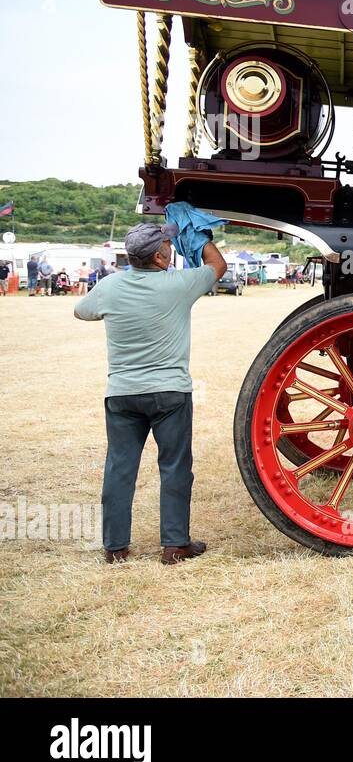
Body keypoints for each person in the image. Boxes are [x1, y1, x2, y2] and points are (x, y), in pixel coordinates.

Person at [74, 222, 227, 565]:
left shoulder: (110, 286)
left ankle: (115, 548)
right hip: (170, 392)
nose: (171, 249)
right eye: (168, 245)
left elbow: (81, 311)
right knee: (174, 467)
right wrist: (201, 239)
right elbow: (218, 266)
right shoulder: (178, 284)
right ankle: (175, 545)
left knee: (119, 468)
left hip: (122, 393)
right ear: (159, 257)